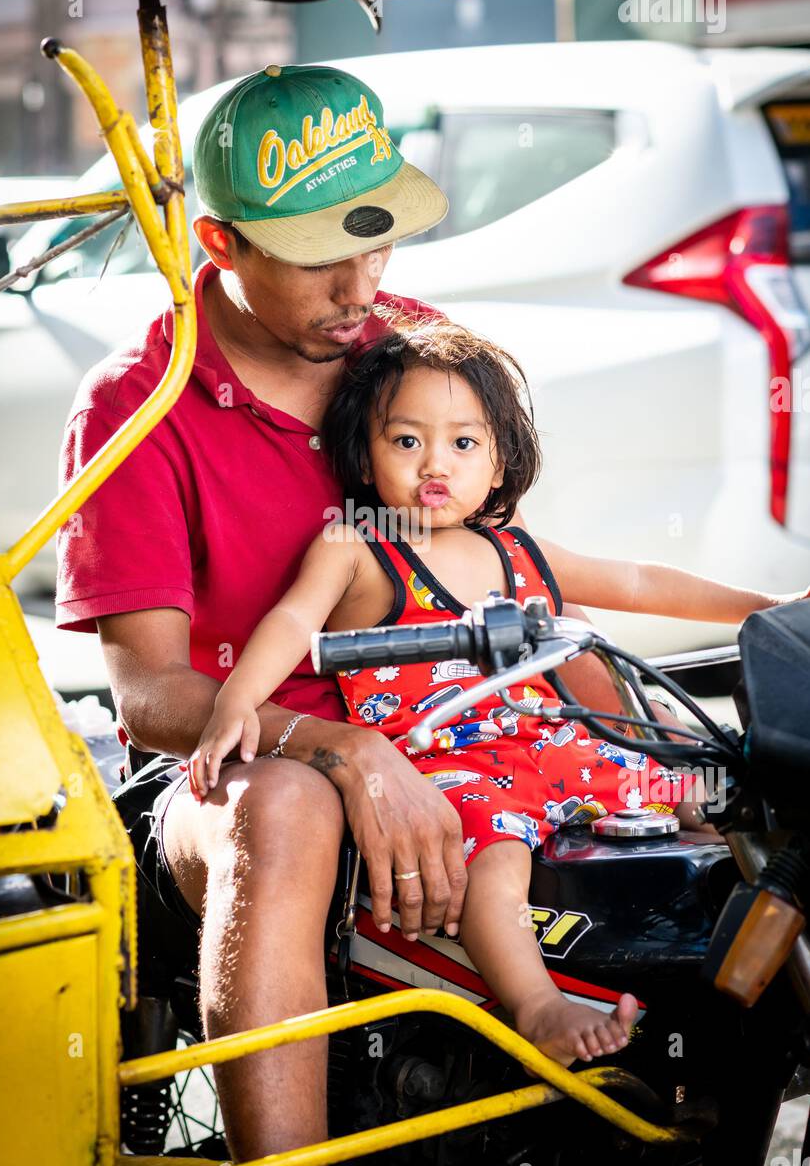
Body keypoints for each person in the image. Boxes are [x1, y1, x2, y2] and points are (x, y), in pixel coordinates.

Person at [56, 62, 692, 1166]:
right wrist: (345, 748)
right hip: (239, 764)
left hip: (458, 733)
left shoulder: (406, 347)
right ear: (220, 246)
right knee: (291, 809)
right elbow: (151, 695)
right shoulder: (134, 405)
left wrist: (643, 725)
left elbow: (513, 582)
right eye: (319, 257)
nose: (361, 286)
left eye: (377, 240)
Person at [187, 319, 810, 1067]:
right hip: (449, 763)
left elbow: (639, 581)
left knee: (708, 794)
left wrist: (769, 605)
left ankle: (725, 991)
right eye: (406, 441)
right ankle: (536, 1002)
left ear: (501, 456)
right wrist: (236, 703)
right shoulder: (357, 545)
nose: (433, 465)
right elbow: (292, 621)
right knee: (494, 856)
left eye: (463, 442)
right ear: (365, 452)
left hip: (553, 738)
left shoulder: (513, 544)